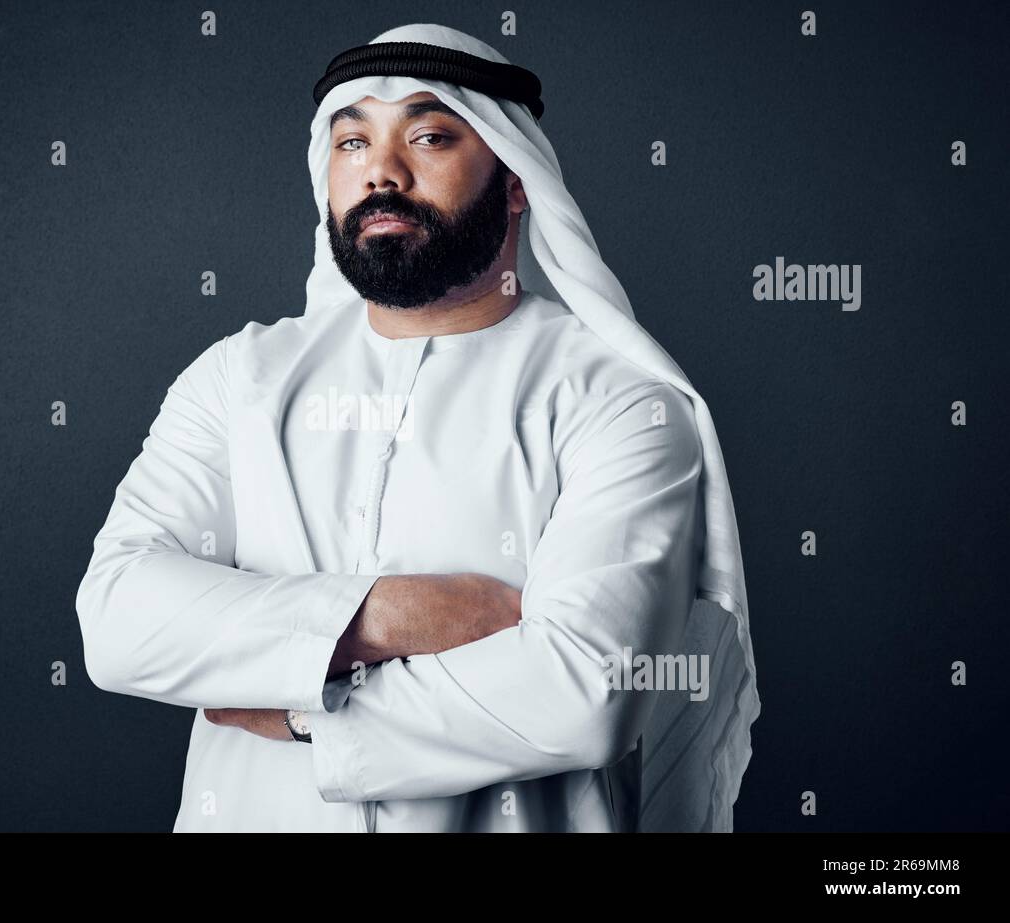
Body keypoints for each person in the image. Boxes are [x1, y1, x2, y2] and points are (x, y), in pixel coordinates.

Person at [75, 22, 760, 832]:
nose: (382, 173)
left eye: (430, 137)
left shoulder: (617, 400)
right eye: (353, 142)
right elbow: (118, 617)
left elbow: (587, 692)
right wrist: (389, 614)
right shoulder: (239, 379)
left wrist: (300, 708)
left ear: (515, 178)